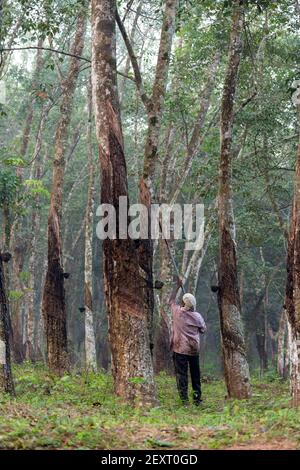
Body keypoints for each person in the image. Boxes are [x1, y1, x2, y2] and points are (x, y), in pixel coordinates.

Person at [168, 277, 206, 406]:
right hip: (193, 350)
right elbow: (203, 330)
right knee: (195, 375)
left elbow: (171, 301)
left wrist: (177, 286)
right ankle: (197, 399)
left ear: (183, 303)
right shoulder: (198, 316)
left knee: (182, 375)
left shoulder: (177, 313)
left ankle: (184, 401)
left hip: (179, 349)